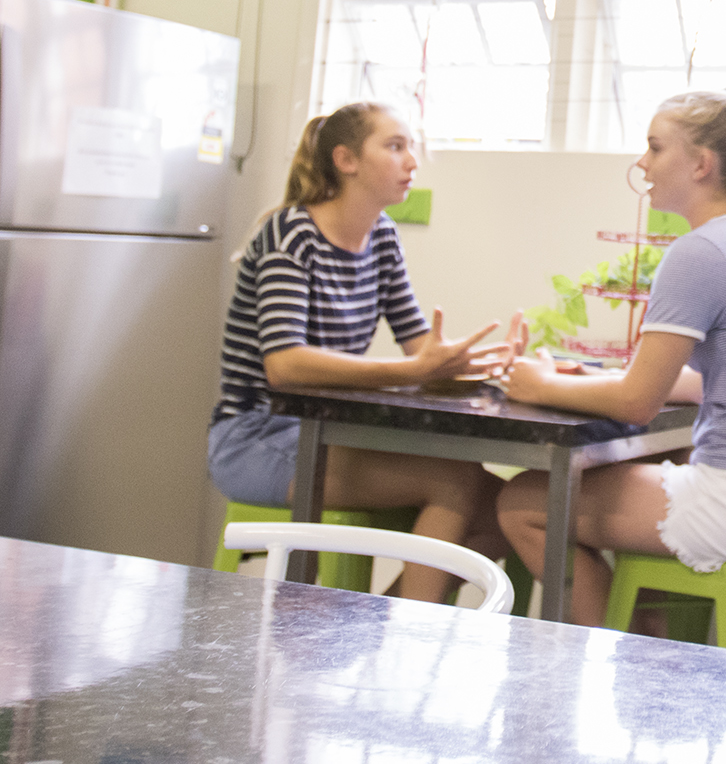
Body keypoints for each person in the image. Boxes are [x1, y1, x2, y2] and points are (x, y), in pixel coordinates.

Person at [495, 89, 726, 626]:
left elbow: (636, 402)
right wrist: (595, 376)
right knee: (633, 478)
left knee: (521, 503)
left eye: (655, 148)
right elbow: (715, 383)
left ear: (701, 165)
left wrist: (538, 385)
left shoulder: (701, 252)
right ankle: (652, 648)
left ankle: (625, 667)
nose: (642, 162)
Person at [207, 101, 508, 603]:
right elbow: (285, 365)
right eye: (395, 147)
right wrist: (413, 369)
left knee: (506, 506)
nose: (412, 161)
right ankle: (410, 642)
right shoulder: (290, 236)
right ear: (346, 160)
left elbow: (420, 347)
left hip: (326, 433)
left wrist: (492, 369)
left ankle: (377, 627)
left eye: (410, 147)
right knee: (454, 481)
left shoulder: (382, 236)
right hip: (255, 437)